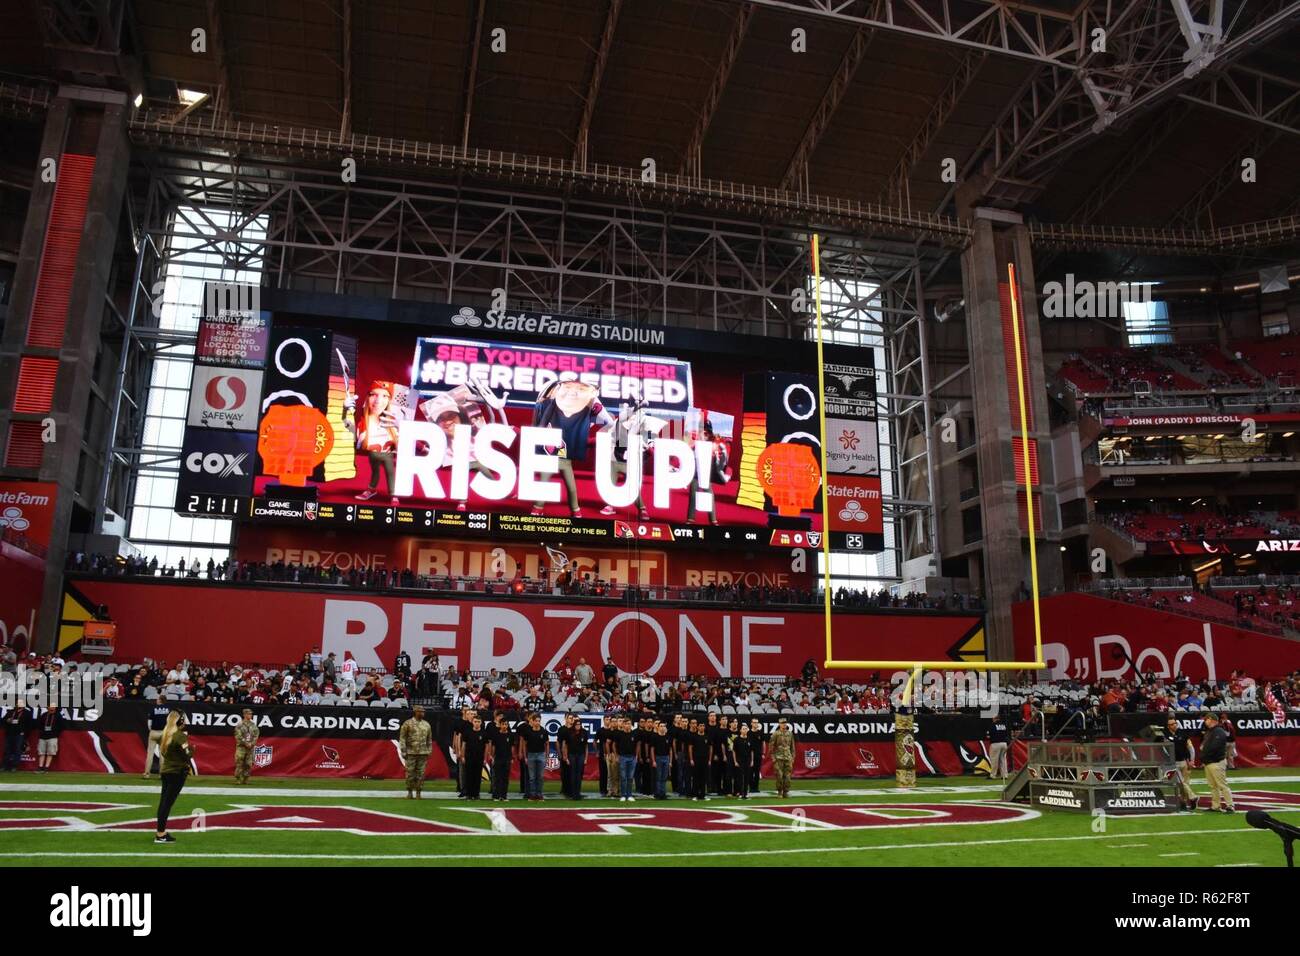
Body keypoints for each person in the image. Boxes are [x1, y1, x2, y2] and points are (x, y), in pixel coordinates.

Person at [154, 711, 194, 843]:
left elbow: (166, 753)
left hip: (166, 771)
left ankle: (160, 832)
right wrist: (193, 748)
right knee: (167, 804)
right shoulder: (179, 736)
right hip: (177, 772)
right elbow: (188, 754)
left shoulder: (165, 735)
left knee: (163, 803)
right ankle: (160, 834)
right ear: (180, 721)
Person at [1199, 713, 1233, 813]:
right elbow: (1205, 746)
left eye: (1206, 719)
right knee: (1213, 786)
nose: (1205, 721)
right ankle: (1215, 806)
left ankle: (1230, 805)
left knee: (1222, 785)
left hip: (1216, 761)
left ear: (1211, 719)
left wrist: (1204, 752)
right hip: (1209, 762)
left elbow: (1214, 746)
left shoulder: (1219, 731)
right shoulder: (1210, 731)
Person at [399, 704, 434, 799]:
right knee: (410, 773)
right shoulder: (408, 723)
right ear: (416, 712)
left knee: (421, 774)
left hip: (423, 753)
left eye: (423, 712)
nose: (423, 713)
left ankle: (419, 792)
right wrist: (403, 750)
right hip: (410, 752)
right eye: (421, 711)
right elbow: (402, 738)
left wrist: (429, 750)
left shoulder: (426, 724)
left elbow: (429, 739)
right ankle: (409, 792)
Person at [1165, 716, 1197, 812]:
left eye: (1175, 723)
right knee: (1181, 783)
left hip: (1184, 761)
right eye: (1171, 724)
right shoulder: (1165, 736)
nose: (1174, 725)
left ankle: (1183, 802)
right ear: (1168, 726)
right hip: (1173, 762)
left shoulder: (1183, 733)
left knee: (1185, 783)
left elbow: (1190, 747)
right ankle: (1193, 797)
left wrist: (1192, 760)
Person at [518, 712, 547, 801]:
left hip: (541, 754)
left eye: (539, 721)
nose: (538, 722)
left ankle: (539, 794)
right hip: (531, 754)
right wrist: (524, 755)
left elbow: (547, 744)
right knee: (532, 777)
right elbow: (524, 743)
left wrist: (546, 755)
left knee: (540, 776)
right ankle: (532, 794)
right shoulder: (527, 730)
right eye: (536, 721)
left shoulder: (543, 731)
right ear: (532, 721)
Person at [488, 712, 513, 801]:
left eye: (506, 724)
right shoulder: (496, 734)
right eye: (503, 724)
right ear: (500, 725)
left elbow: (512, 747)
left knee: (505, 778)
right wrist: (492, 756)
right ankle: (496, 795)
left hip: (507, 759)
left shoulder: (510, 735)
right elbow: (493, 747)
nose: (504, 726)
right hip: (498, 758)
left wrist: (511, 758)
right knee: (497, 778)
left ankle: (504, 796)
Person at [461, 714, 487, 800]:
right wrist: (463, 756)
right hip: (469, 757)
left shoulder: (484, 733)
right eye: (475, 721)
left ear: (481, 723)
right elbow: (464, 745)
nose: (477, 723)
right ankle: (469, 794)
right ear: (472, 722)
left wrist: (485, 758)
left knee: (477, 776)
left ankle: (476, 794)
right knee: (469, 776)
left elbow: (486, 746)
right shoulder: (467, 732)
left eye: (478, 722)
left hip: (479, 758)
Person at [142, 698, 170, 777]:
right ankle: (162, 774)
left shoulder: (153, 709)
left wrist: (151, 730)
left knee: (150, 753)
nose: (156, 700)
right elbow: (169, 722)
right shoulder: (168, 710)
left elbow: (149, 723)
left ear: (161, 700)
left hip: (154, 732)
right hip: (163, 732)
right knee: (162, 754)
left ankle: (147, 773)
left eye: (158, 699)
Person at [614, 714, 638, 802]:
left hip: (632, 757)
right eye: (626, 724)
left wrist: (636, 755)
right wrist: (617, 756)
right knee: (623, 777)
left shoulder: (634, 734)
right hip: (623, 757)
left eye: (629, 724)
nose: (628, 725)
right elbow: (614, 745)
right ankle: (623, 795)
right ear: (623, 724)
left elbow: (637, 745)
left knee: (630, 777)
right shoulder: (619, 734)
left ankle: (630, 794)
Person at [770, 717, 795, 798]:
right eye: (782, 723)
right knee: (779, 776)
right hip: (778, 757)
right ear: (779, 724)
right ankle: (779, 791)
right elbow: (771, 747)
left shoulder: (790, 733)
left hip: (788, 757)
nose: (784, 724)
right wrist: (773, 758)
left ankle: (786, 791)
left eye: (785, 723)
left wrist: (792, 757)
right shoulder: (776, 734)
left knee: (787, 776)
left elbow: (792, 747)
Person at [2, 701, 31, 771]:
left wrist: (24, 734)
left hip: (20, 734)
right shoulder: (11, 712)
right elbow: (3, 720)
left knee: (18, 750)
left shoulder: (27, 713)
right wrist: (7, 720)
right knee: (7, 750)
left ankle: (14, 766)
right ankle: (4, 765)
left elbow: (29, 725)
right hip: (10, 733)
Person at [35, 705, 64, 772]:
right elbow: (39, 724)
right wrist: (41, 732)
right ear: (48, 707)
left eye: (53, 707)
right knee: (41, 752)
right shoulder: (44, 715)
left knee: (50, 752)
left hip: (53, 736)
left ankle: (46, 767)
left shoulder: (58, 715)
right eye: (50, 706)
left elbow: (61, 726)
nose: (52, 708)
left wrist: (56, 733)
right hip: (42, 736)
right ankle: (40, 767)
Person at [233, 708, 259, 784]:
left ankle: (246, 779)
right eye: (248, 714)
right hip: (241, 747)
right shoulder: (239, 725)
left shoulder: (253, 725)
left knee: (249, 764)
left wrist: (252, 743)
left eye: (251, 714)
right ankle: (238, 778)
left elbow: (256, 734)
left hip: (250, 747)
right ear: (244, 715)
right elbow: (238, 735)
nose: (250, 715)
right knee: (239, 762)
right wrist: (245, 743)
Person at [565, 715, 589, 799]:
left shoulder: (584, 732)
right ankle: (573, 793)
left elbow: (586, 746)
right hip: (571, 755)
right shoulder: (569, 732)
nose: (578, 726)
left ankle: (578, 793)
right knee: (573, 774)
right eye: (577, 724)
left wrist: (586, 758)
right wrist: (566, 757)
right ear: (574, 725)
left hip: (581, 755)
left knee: (579, 775)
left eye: (579, 724)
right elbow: (566, 746)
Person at [690, 720, 710, 800]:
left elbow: (710, 748)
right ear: (698, 727)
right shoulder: (694, 737)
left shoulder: (707, 737)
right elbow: (690, 748)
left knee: (703, 777)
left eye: (703, 726)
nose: (702, 727)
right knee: (696, 777)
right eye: (700, 726)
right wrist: (691, 759)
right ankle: (695, 795)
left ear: (704, 727)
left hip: (705, 759)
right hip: (696, 759)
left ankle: (703, 795)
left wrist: (709, 759)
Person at [730, 723, 752, 799]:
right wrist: (735, 761)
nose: (745, 730)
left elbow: (751, 751)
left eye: (746, 729)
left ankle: (745, 793)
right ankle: (740, 792)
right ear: (740, 730)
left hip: (747, 760)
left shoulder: (749, 739)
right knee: (739, 777)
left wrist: (752, 761)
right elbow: (734, 751)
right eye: (743, 729)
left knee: (746, 777)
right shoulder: (736, 739)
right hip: (739, 760)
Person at [556, 713, 575, 798]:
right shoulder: (562, 729)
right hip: (564, 754)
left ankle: (572, 789)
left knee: (573, 772)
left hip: (573, 754)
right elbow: (558, 742)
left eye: (573, 718)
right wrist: (560, 753)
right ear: (566, 719)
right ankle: (564, 789)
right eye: (570, 718)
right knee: (564, 773)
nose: (572, 720)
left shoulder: (575, 729)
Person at [986, 714, 1010, 780]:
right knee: (1003, 760)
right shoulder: (1004, 725)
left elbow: (988, 736)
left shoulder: (992, 725)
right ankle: (1005, 775)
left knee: (994, 760)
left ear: (995, 719)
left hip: (995, 743)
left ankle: (993, 775)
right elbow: (1007, 734)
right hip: (1004, 743)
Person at [652, 720, 672, 800]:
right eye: (661, 726)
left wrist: (670, 761)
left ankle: (663, 793)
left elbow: (670, 750)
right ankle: (658, 793)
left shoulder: (668, 737)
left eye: (664, 726)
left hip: (666, 757)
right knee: (659, 776)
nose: (662, 728)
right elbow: (652, 749)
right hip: (658, 757)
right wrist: (653, 760)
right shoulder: (655, 737)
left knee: (664, 777)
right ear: (658, 727)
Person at [599, 715, 617, 797]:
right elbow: (606, 744)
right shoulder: (608, 732)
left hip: (617, 754)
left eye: (614, 721)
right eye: (611, 721)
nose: (613, 722)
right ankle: (609, 790)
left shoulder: (618, 732)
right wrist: (608, 754)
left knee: (616, 774)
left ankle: (616, 790)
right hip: (610, 754)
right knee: (609, 774)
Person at [748, 717, 765, 792]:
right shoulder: (748, 733)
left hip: (758, 755)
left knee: (757, 772)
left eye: (757, 722)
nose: (756, 724)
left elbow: (763, 743)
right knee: (750, 772)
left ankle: (756, 787)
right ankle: (751, 787)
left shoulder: (760, 732)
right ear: (751, 723)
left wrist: (763, 753)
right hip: (749, 755)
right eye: (754, 722)